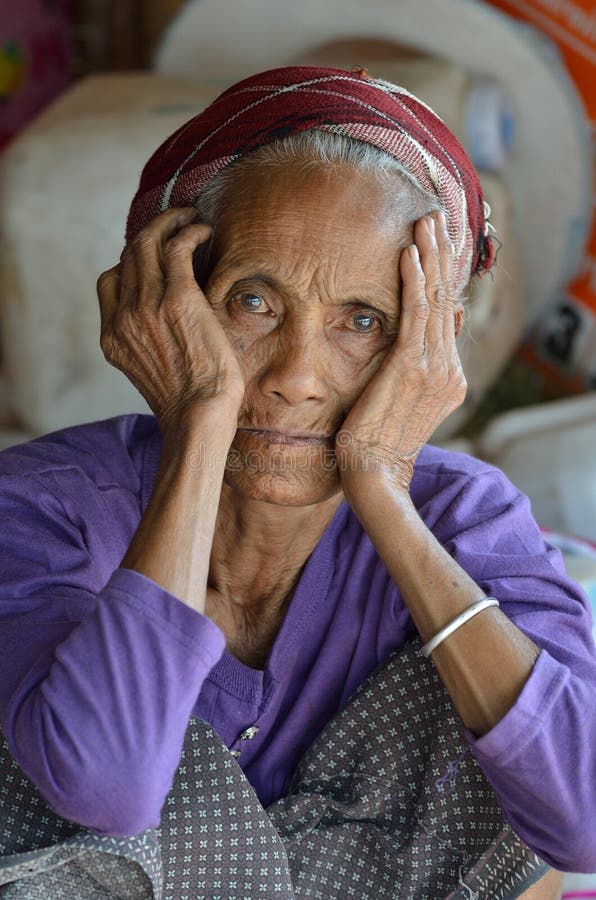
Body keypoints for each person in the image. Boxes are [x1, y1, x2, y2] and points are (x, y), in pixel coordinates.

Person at [0, 66, 594, 898]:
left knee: (503, 720)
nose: (297, 378)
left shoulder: (460, 515)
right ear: (172, 304)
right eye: (253, 303)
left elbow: (583, 821)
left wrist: (384, 491)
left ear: (427, 349)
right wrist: (201, 422)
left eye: (362, 322)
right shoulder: (40, 505)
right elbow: (105, 786)